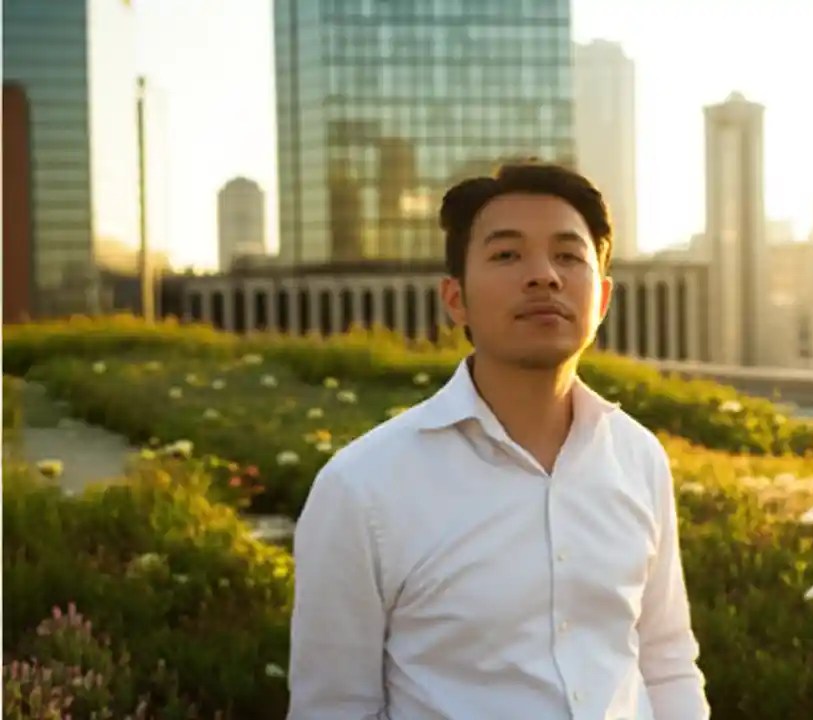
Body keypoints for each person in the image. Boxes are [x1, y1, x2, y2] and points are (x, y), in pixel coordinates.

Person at [287, 161, 710, 719]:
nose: (544, 276)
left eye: (568, 255)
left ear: (603, 299)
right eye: (507, 255)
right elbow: (334, 708)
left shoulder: (637, 457)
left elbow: (666, 659)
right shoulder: (363, 486)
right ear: (455, 299)